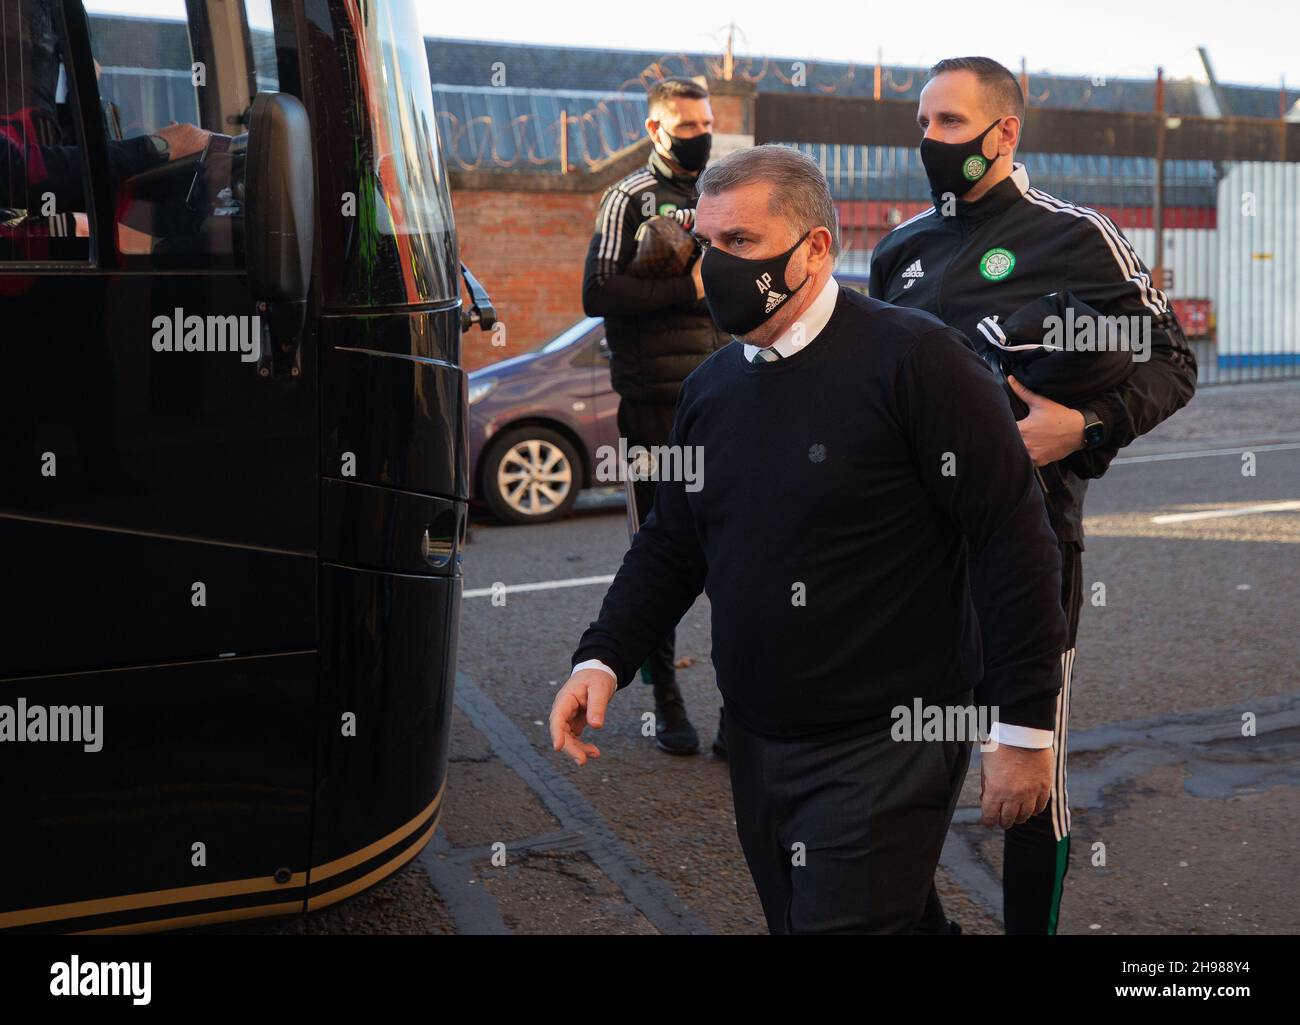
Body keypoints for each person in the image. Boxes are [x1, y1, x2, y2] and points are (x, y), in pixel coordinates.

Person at [552, 145, 1068, 934]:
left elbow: (1012, 536)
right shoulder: (711, 388)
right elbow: (673, 540)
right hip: (761, 733)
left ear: (816, 248)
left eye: (741, 244)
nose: (714, 264)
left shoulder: (919, 361)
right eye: (705, 243)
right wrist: (603, 656)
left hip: (891, 734)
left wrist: (1024, 728)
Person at [868, 56, 1198, 935]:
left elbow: (1175, 363)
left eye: (948, 124)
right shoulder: (899, 251)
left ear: (1003, 132)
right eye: (922, 124)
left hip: (1027, 547)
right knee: (903, 762)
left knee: (1024, 771)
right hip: (909, 556)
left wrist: (1082, 427)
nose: (928, 141)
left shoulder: (1079, 237)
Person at [580, 77, 730, 756]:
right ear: (655, 129)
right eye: (687, 124)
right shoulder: (628, 197)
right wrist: (689, 286)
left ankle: (740, 708)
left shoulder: (720, 194)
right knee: (661, 547)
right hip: (655, 404)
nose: (700, 134)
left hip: (726, 394)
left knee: (739, 548)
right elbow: (597, 290)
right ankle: (666, 696)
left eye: (707, 122)